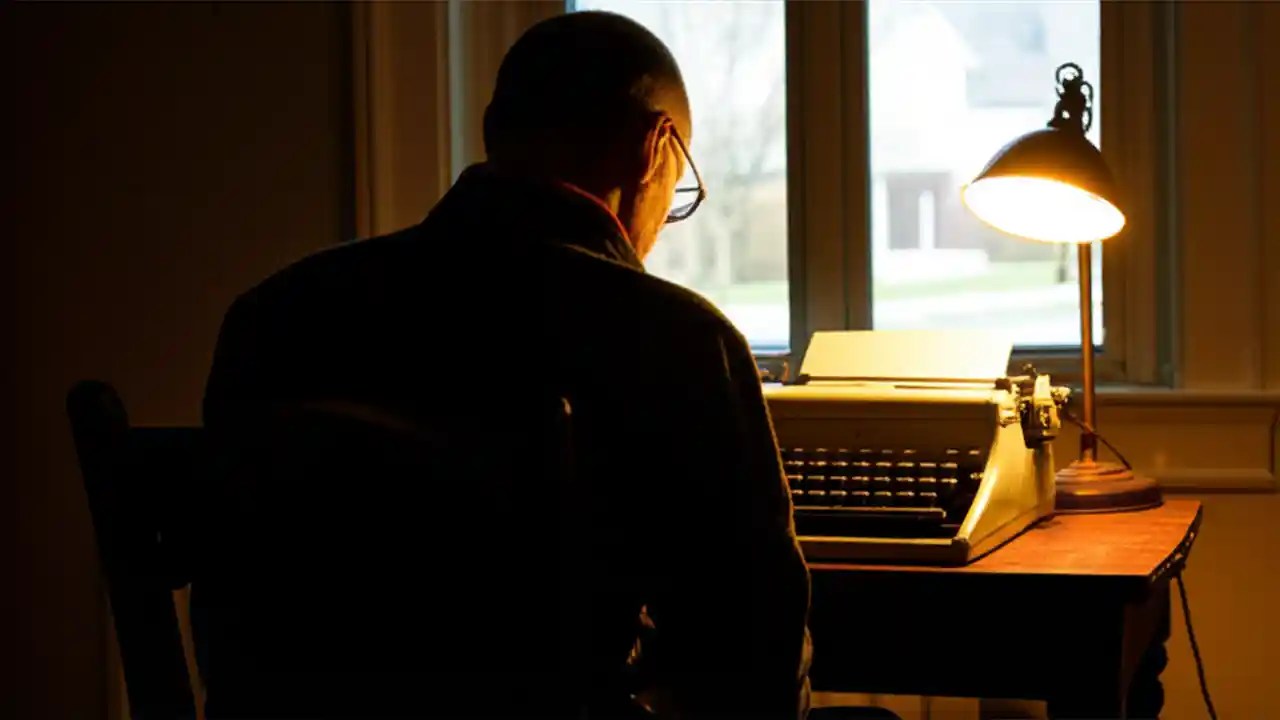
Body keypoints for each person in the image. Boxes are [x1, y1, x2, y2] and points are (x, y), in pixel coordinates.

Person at [195, 10, 811, 720]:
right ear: (655, 148)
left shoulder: (276, 315)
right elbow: (757, 664)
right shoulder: (679, 340)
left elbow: (228, 622)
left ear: (492, 129)